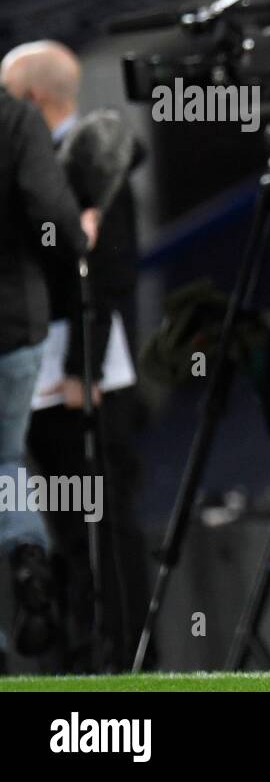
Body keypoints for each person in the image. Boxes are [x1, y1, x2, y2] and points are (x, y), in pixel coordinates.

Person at [3, 40, 151, 671]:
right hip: (48, 366)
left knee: (103, 519)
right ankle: (81, 653)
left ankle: (123, 658)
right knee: (69, 519)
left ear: (32, 100)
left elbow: (110, 274)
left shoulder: (96, 159)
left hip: (83, 377)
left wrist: (81, 373)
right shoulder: (43, 163)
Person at [0, 81, 90, 665]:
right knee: (5, 462)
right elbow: (49, 209)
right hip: (12, 321)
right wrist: (79, 237)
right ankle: (26, 553)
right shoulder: (14, 118)